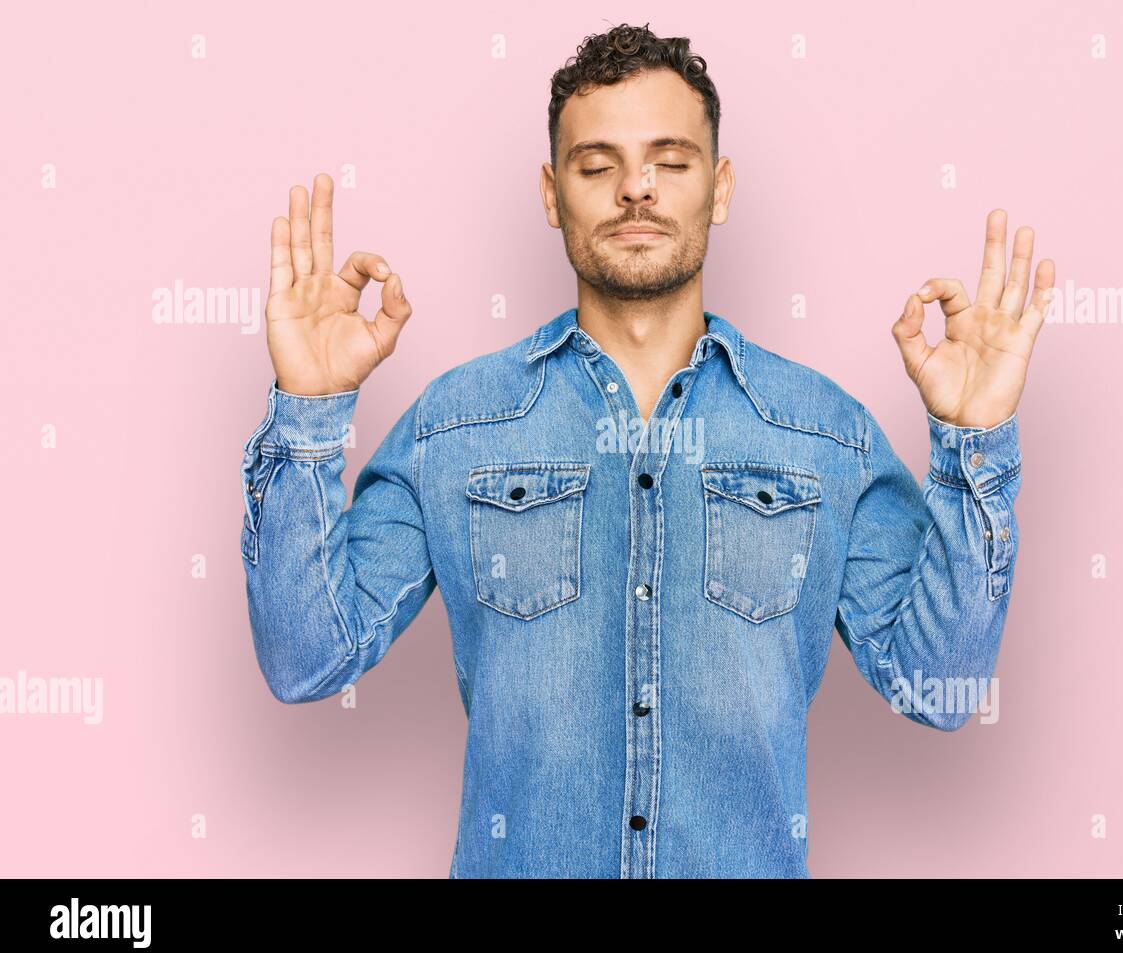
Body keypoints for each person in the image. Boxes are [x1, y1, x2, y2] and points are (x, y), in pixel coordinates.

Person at [240, 22, 1053, 878]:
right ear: (552, 195)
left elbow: (940, 686)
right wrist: (308, 408)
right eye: (598, 166)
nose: (636, 190)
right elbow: (304, 661)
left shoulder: (824, 433)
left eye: (670, 161)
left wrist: (973, 441)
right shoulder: (456, 426)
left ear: (721, 186)